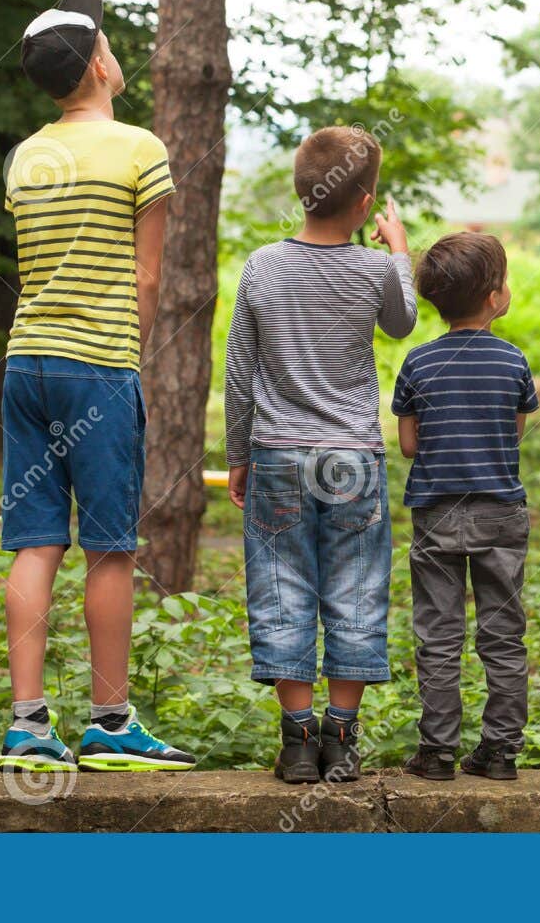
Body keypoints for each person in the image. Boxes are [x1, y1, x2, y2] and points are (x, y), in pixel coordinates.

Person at [0, 0, 196, 774]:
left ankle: (26, 724)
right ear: (103, 64)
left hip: (24, 364)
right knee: (109, 547)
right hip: (98, 368)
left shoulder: (25, 158)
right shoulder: (140, 149)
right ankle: (110, 721)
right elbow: (148, 278)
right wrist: (131, 354)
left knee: (35, 540)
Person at [224, 125, 416, 784]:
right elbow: (403, 321)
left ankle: (298, 743)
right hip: (351, 458)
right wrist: (398, 252)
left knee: (282, 592)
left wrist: (237, 454)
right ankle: (343, 740)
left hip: (276, 453)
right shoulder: (371, 268)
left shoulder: (261, 266)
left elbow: (239, 369)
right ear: (365, 204)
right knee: (355, 593)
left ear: (301, 192)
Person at [395, 233, 538, 782]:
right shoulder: (513, 361)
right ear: (496, 297)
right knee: (503, 635)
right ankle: (500, 752)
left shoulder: (418, 362)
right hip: (501, 511)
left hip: (437, 513)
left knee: (439, 635)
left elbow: (409, 446)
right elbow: (515, 434)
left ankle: (436, 753)